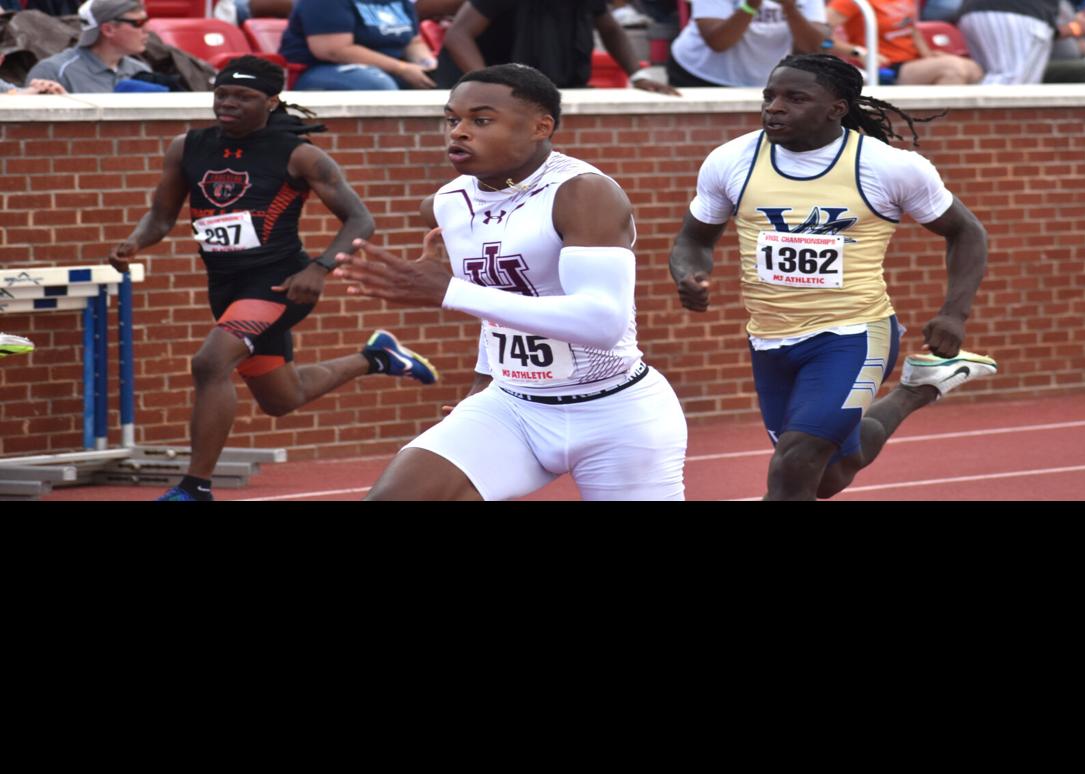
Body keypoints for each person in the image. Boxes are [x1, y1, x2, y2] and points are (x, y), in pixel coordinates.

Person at [332, 64, 688, 501]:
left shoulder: (583, 193)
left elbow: (603, 322)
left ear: (542, 126)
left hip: (613, 409)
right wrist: (480, 388)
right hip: (512, 406)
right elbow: (499, 306)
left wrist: (452, 291)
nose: (459, 132)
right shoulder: (447, 205)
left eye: (480, 120)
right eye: (452, 119)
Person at [668, 53, 997, 501]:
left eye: (794, 98)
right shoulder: (732, 160)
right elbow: (694, 240)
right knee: (826, 478)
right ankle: (915, 391)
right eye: (770, 96)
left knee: (793, 463)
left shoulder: (889, 166)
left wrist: (954, 314)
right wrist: (691, 274)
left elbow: (966, 231)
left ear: (836, 108)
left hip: (853, 334)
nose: (774, 107)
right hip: (770, 339)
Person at [108, 56, 435, 502]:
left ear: (271, 100)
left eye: (243, 97)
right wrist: (134, 242)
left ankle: (193, 488)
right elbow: (161, 217)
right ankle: (376, 358)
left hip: (281, 283)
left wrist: (319, 268)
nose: (229, 104)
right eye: (222, 94)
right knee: (282, 398)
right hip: (225, 287)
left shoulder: (299, 154)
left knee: (209, 363)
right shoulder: (187, 147)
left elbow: (359, 220)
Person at [434, 0, 680, 95]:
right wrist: (490, 85)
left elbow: (611, 29)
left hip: (542, 80)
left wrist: (637, 75)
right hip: (481, 77)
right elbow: (458, 35)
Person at [278, 0, 439, 90]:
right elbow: (333, 50)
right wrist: (402, 69)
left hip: (392, 67)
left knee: (440, 83)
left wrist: (428, 65)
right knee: (377, 85)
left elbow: (413, 42)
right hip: (319, 70)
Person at [665, 0, 828, 89]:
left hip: (764, 78)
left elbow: (811, 47)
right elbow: (718, 43)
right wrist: (751, 5)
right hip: (700, 73)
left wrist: (790, 8)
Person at [825, 0, 982, 85]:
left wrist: (928, 55)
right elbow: (821, 37)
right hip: (885, 67)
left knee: (974, 69)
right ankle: (941, 128)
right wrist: (857, 52)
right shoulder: (848, 2)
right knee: (952, 69)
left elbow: (911, 28)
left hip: (912, 62)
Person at [25, 0, 154, 93]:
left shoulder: (141, 71)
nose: (147, 29)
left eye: (146, 22)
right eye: (138, 23)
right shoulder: (53, 72)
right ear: (108, 29)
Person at [956, 0, 1059, 85]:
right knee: (1010, 80)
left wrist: (1074, 28)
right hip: (1018, 12)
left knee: (983, 77)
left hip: (972, 12)